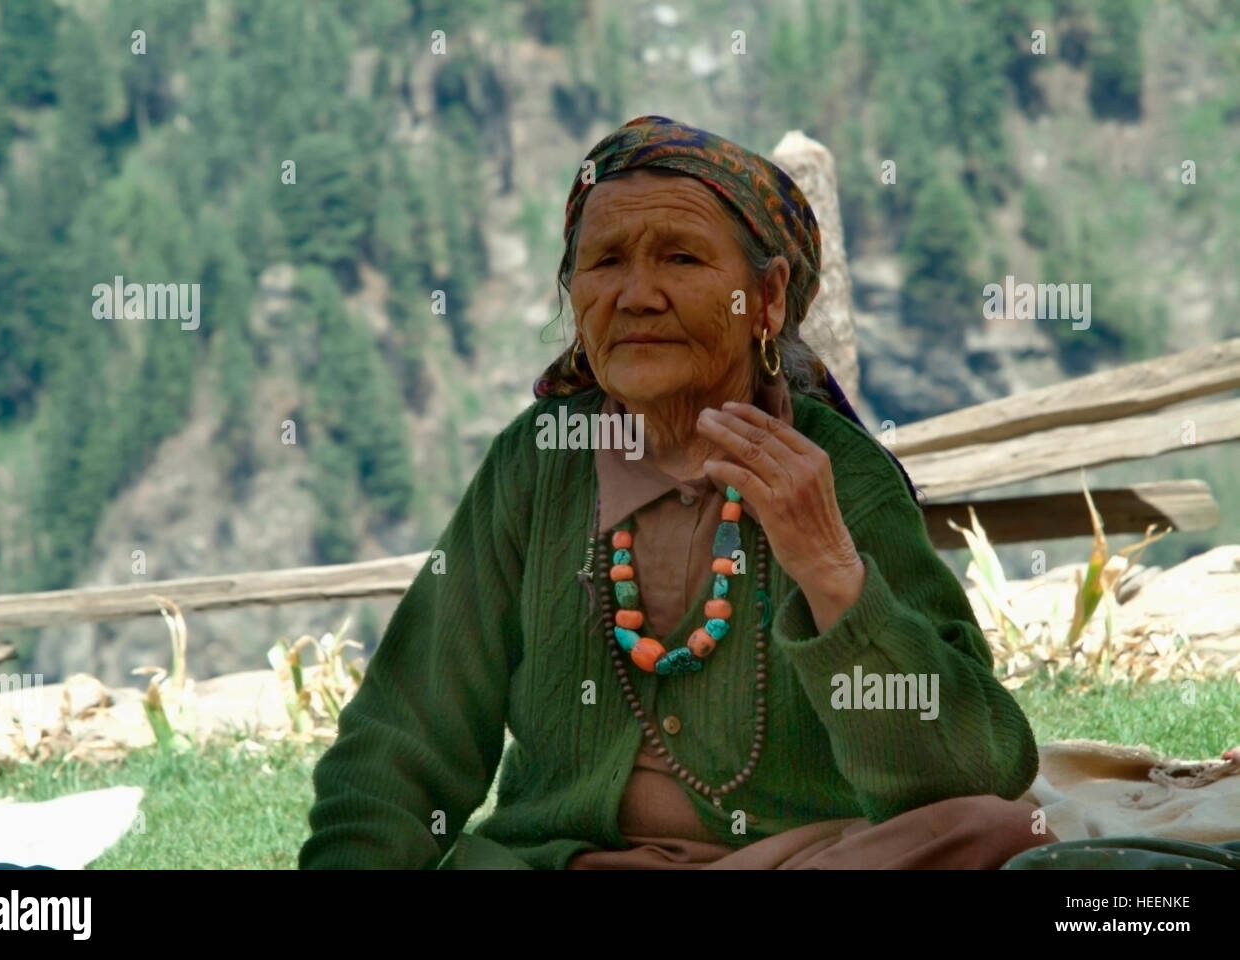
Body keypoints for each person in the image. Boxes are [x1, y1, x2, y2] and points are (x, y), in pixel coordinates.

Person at [299, 115, 1055, 869]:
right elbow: (404, 740)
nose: (636, 295)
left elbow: (975, 770)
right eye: (605, 262)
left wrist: (830, 572)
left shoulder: (837, 474)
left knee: (998, 832)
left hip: (798, 861)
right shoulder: (537, 463)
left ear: (767, 297)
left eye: (682, 258)